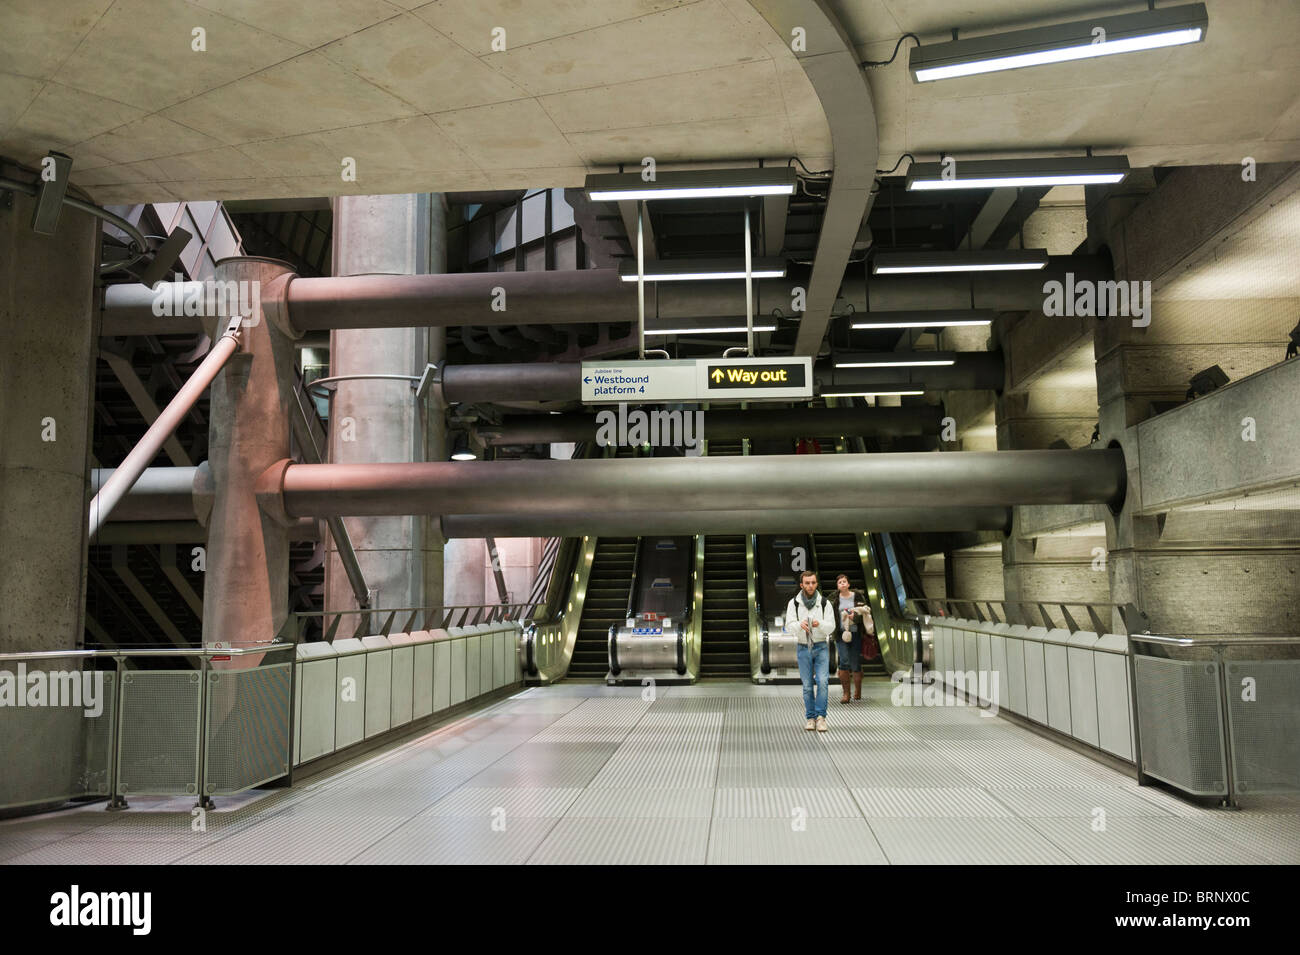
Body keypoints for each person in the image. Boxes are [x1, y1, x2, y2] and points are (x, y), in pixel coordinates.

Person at [783, 570, 836, 731]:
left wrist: (819, 623)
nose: (810, 586)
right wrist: (800, 625)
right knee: (807, 686)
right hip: (803, 647)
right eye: (807, 583)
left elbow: (831, 627)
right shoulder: (794, 603)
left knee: (823, 682)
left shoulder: (825, 603)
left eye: (813, 582)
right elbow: (789, 626)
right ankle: (810, 718)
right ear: (801, 585)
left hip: (820, 646)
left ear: (816, 584)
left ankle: (821, 717)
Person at [832, 573, 870, 704]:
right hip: (841, 635)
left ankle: (858, 690)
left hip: (855, 634)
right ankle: (846, 693)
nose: (842, 584)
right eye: (839, 582)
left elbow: (866, 612)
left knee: (855, 662)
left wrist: (856, 617)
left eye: (844, 581)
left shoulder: (857, 596)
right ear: (837, 586)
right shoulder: (834, 598)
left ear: (848, 584)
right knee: (844, 661)